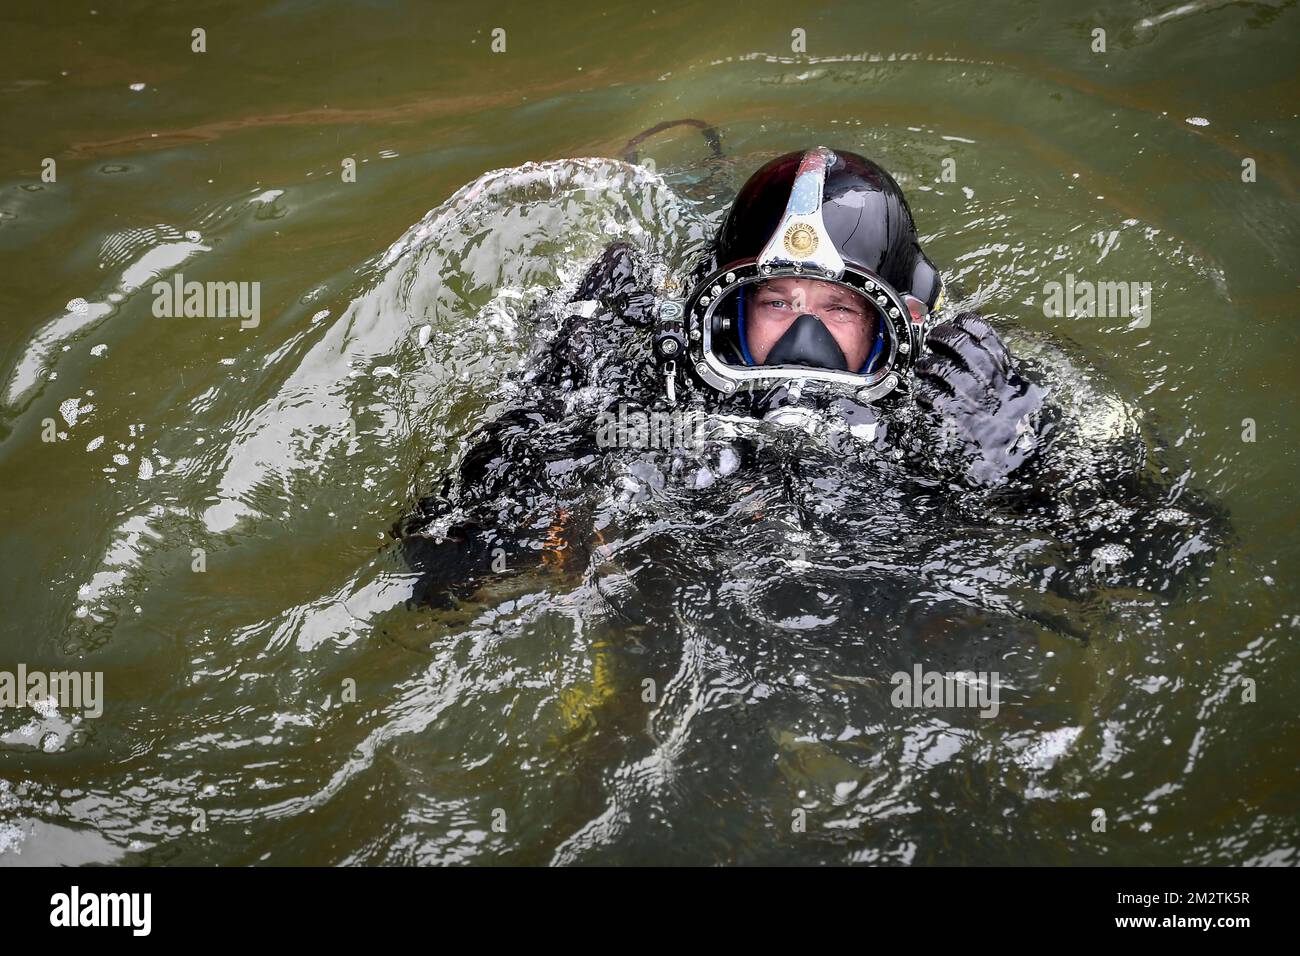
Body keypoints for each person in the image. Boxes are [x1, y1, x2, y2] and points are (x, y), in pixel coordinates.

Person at [395, 147, 1222, 613]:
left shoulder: (975, 399)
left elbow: (1170, 560)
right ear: (720, 310)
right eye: (775, 302)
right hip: (684, 650)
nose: (801, 334)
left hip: (921, 664)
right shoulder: (655, 389)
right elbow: (440, 574)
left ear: (902, 320)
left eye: (837, 309)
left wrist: (1012, 460)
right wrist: (549, 414)